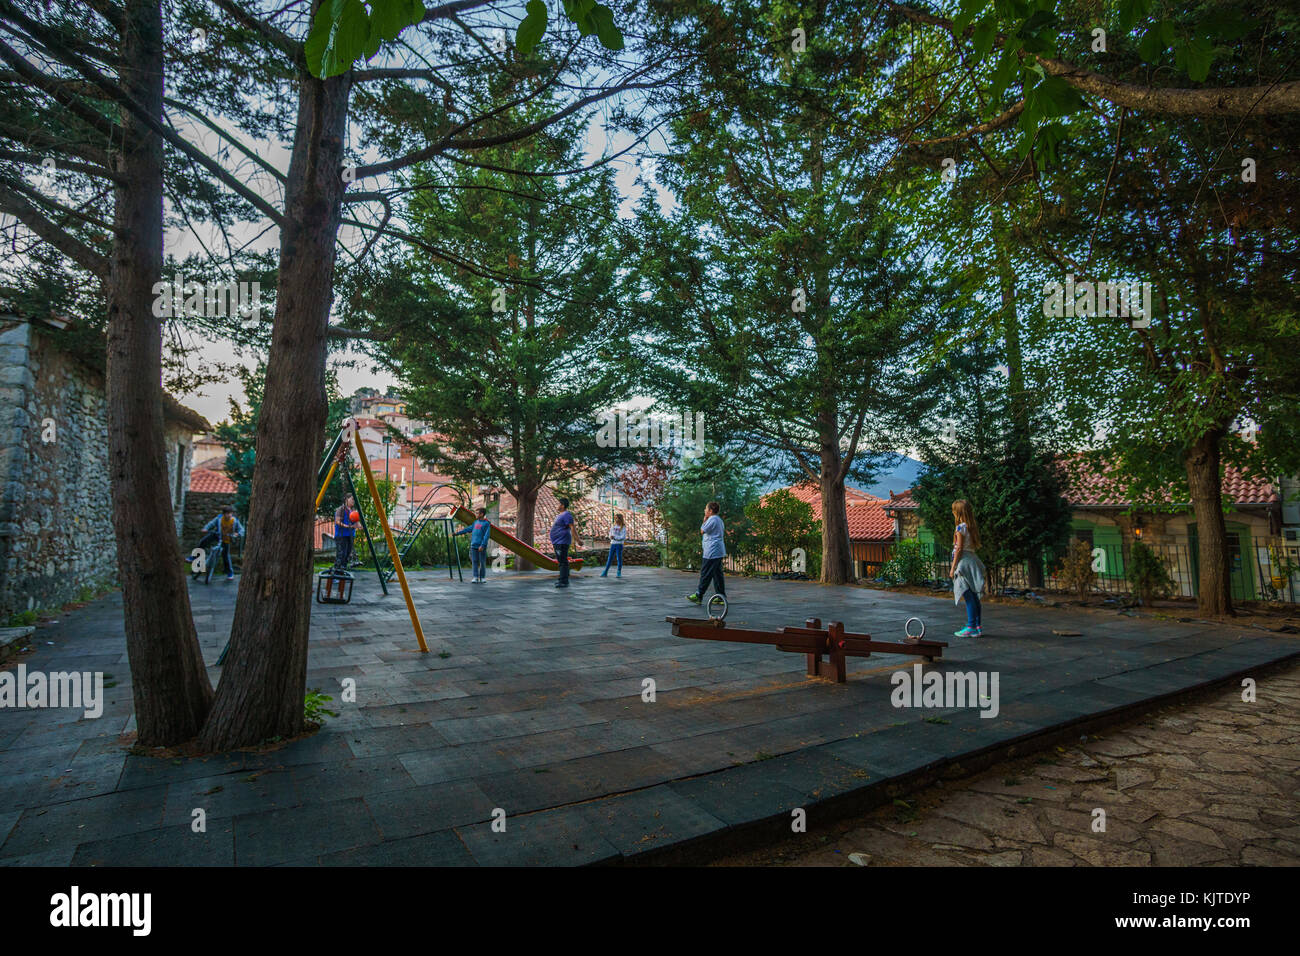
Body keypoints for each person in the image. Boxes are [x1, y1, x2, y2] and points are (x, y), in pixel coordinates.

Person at [949, 499, 987, 638]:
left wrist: (953, 568)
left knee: (967, 594)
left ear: (957, 512)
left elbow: (959, 548)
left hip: (963, 562)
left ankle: (970, 626)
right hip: (971, 560)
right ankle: (977, 626)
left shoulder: (960, 528)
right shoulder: (971, 527)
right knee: (974, 596)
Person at [687, 501, 725, 605]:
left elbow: (702, 530)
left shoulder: (712, 519)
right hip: (717, 551)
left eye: (706, 509)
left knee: (706, 573)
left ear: (710, 511)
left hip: (712, 552)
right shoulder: (719, 520)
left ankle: (699, 595)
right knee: (717, 574)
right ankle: (721, 596)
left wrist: (704, 519)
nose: (704, 510)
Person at [196, 504, 243, 580]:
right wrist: (205, 528)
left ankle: (229, 573)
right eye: (227, 513)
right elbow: (211, 524)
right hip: (218, 536)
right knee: (204, 541)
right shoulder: (219, 518)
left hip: (226, 539)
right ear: (223, 514)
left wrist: (237, 533)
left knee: (226, 556)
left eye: (230, 513)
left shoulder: (234, 521)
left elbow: (242, 530)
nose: (229, 515)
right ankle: (193, 557)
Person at [454, 507, 492, 583]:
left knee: (482, 562)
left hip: (481, 547)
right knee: (474, 562)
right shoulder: (475, 522)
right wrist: (457, 533)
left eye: (477, 513)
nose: (475, 514)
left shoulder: (486, 524)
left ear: (481, 514)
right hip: (473, 546)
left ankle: (482, 577)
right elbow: (468, 529)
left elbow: (486, 536)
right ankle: (475, 577)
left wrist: (483, 545)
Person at [550, 497, 576, 588]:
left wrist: (577, 540)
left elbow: (572, 527)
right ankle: (562, 579)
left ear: (562, 505)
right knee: (561, 561)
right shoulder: (561, 515)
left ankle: (564, 581)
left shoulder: (567, 515)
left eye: (558, 503)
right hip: (558, 541)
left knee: (563, 561)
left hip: (562, 541)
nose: (557, 505)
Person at [333, 494, 358, 573]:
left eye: (354, 499)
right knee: (341, 554)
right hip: (341, 535)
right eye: (352, 499)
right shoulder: (341, 509)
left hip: (350, 535)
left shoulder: (353, 510)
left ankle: (343, 572)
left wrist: (359, 526)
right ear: (346, 499)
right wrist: (347, 526)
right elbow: (337, 521)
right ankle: (336, 574)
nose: (353, 501)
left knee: (347, 554)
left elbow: (356, 522)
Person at [602, 514, 627, 578]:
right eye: (615, 518)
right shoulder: (613, 526)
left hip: (619, 544)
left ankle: (619, 572)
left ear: (620, 519)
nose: (616, 520)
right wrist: (611, 537)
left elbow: (623, 537)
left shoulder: (623, 527)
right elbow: (610, 534)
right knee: (609, 558)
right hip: (613, 544)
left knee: (619, 558)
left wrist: (615, 537)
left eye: (617, 518)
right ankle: (605, 571)